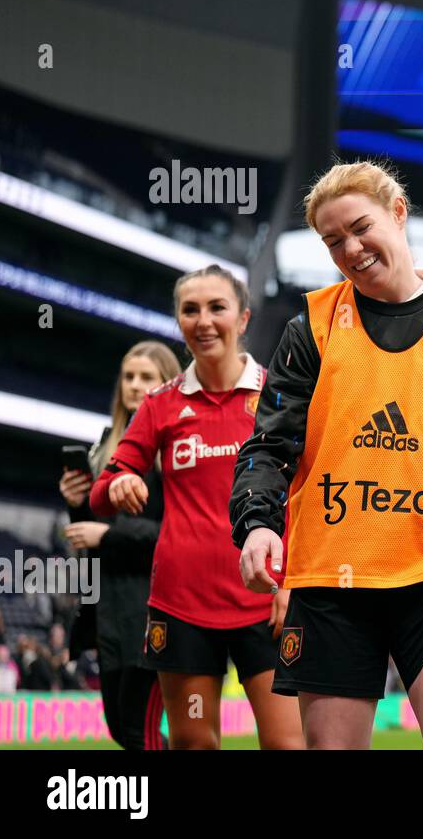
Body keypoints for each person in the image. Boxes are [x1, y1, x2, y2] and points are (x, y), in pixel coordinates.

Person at [230, 161, 423, 750]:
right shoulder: (310, 328)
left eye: (360, 227)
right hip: (331, 585)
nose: (350, 248)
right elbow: (268, 446)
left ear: (397, 213)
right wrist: (258, 525)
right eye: (333, 240)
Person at [90, 266, 304, 750]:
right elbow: (101, 491)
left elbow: (307, 493)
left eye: (217, 308)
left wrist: (292, 582)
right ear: (179, 321)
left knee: (288, 744)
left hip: (266, 601)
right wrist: (121, 479)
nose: (203, 320)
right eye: (190, 310)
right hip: (181, 606)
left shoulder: (277, 395)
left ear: (243, 318)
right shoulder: (160, 405)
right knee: (193, 745)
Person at [60, 340, 179, 750]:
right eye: (128, 376)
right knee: (120, 730)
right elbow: (92, 539)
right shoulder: (106, 446)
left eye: (147, 377)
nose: (134, 385)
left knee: (137, 731)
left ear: (169, 383)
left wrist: (108, 535)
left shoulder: (174, 448)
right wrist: (78, 507)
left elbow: (180, 534)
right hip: (108, 610)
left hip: (155, 606)